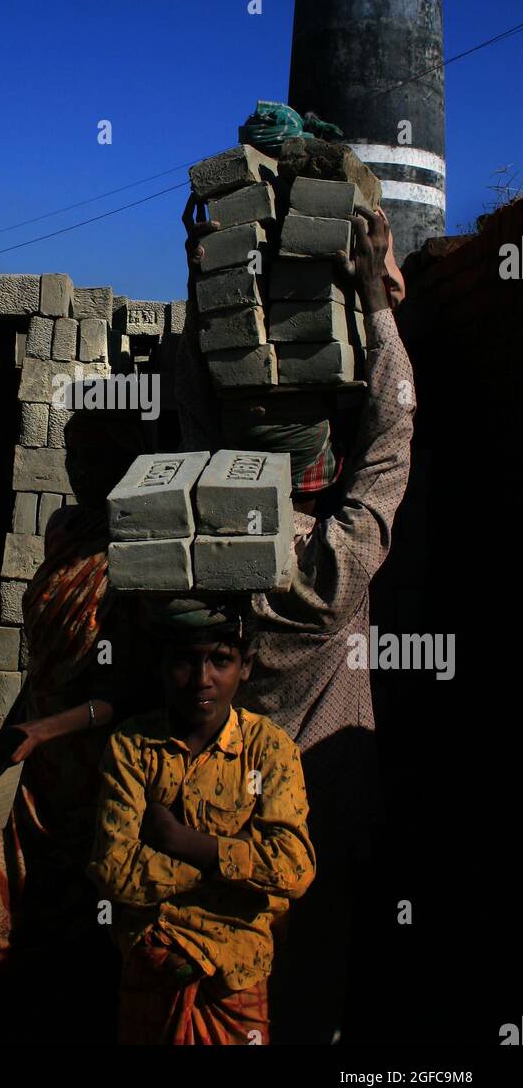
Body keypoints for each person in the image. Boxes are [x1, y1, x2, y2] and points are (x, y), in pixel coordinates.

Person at [176, 198, 416, 1043]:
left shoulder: (215, 549)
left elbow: (196, 424)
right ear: (328, 470)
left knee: (232, 984)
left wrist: (207, 282)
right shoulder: (340, 562)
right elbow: (392, 432)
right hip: (322, 815)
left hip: (226, 817)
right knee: (314, 989)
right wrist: (377, 308)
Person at [0, 413, 159, 1044]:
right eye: (72, 458)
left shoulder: (142, 557)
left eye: (95, 460)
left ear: (129, 464)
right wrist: (21, 730)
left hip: (96, 770)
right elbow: (48, 658)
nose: (80, 473)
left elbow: (130, 689)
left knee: (78, 919)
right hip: (32, 756)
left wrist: (46, 729)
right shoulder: (66, 530)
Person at [87, 596, 315, 1046]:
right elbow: (112, 870)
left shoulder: (268, 751)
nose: (203, 680)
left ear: (245, 666)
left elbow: (295, 869)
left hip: (236, 970)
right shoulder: (133, 749)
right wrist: (234, 862)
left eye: (221, 660)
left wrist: (180, 840)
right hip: (156, 962)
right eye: (186, 662)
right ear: (161, 664)